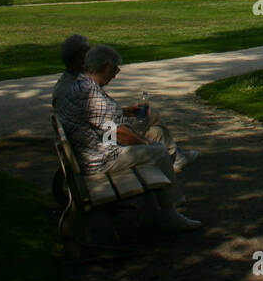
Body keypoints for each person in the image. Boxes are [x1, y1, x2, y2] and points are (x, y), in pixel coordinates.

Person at [58, 45, 201, 232]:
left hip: (89, 152)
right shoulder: (92, 95)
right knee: (157, 151)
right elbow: (117, 133)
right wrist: (143, 142)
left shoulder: (81, 85)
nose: (116, 73)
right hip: (98, 160)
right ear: (104, 66)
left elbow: (98, 120)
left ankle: (153, 211)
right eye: (114, 68)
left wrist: (124, 112)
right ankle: (170, 213)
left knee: (152, 143)